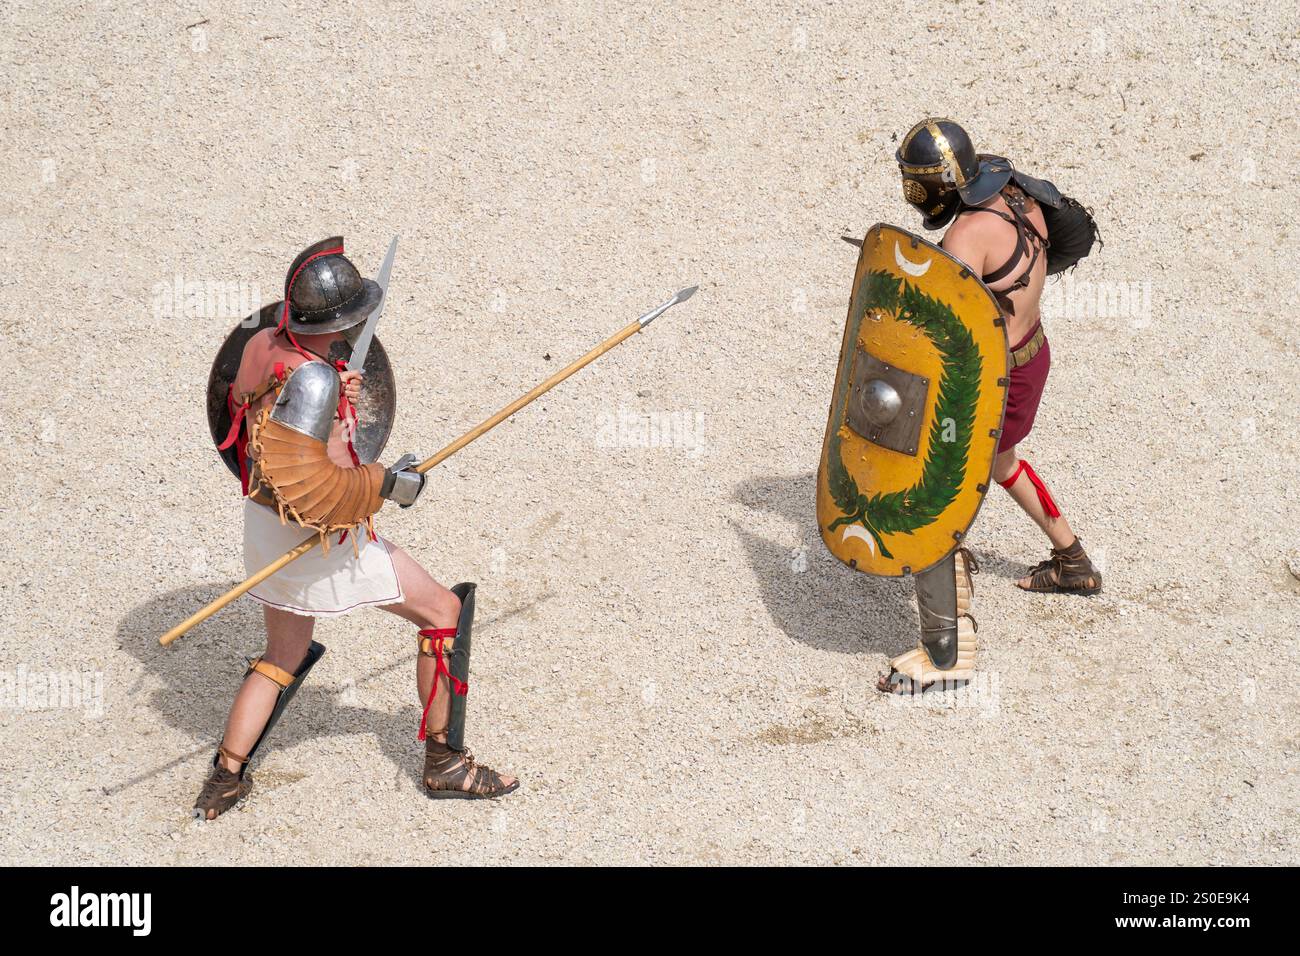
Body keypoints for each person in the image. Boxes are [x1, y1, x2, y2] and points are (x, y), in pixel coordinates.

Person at [194, 238, 517, 820]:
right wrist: (388, 482)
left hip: (266, 528)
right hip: (318, 539)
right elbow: (317, 492)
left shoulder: (263, 345)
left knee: (283, 653)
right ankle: (445, 763)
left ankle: (225, 778)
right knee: (442, 611)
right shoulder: (312, 379)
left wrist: (326, 399)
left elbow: (262, 421)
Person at [895, 118, 1103, 596]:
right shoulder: (1015, 192)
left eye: (918, 182)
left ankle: (949, 565)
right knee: (999, 462)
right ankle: (1072, 560)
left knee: (950, 457)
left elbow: (943, 328)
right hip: (1033, 353)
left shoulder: (966, 235)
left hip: (997, 377)